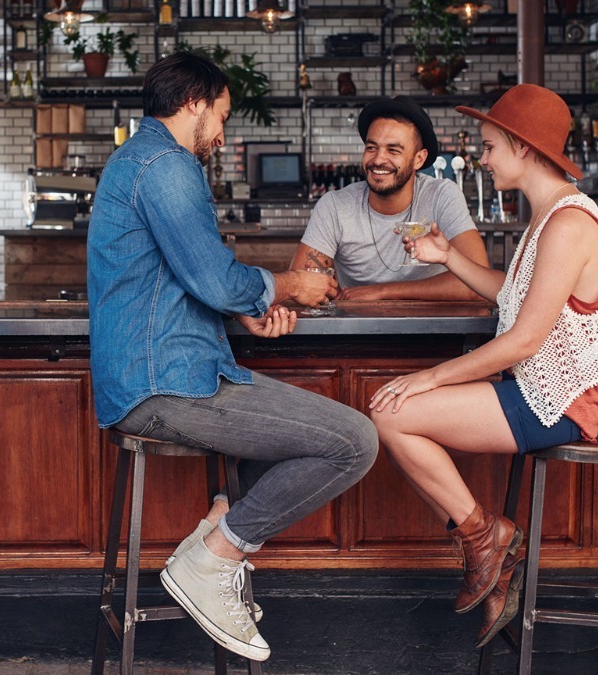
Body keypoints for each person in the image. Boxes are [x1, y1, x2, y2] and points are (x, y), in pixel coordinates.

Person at [86, 51, 379, 662]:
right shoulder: (167, 165)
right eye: (220, 116)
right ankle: (212, 557)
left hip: (167, 374)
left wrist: (243, 305)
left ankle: (217, 528)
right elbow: (213, 277)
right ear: (193, 102)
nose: (221, 135)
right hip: (164, 384)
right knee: (355, 441)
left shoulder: (140, 160)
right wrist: (288, 287)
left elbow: (187, 276)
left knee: (297, 447)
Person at [367, 84, 598, 648]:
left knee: (392, 412)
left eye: (489, 147)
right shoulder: (547, 218)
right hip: (535, 390)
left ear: (523, 148)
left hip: (559, 402)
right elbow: (510, 297)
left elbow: (524, 340)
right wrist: (447, 257)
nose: (482, 160)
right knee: (390, 409)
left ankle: (487, 539)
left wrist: (430, 375)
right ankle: (487, 541)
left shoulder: (567, 225)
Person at [291, 95, 489, 301]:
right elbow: (300, 285)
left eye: (393, 150)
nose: (378, 159)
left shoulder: (441, 195)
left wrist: (382, 292)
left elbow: (477, 283)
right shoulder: (335, 205)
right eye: (371, 147)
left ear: (419, 159)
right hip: (355, 329)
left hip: (433, 329)